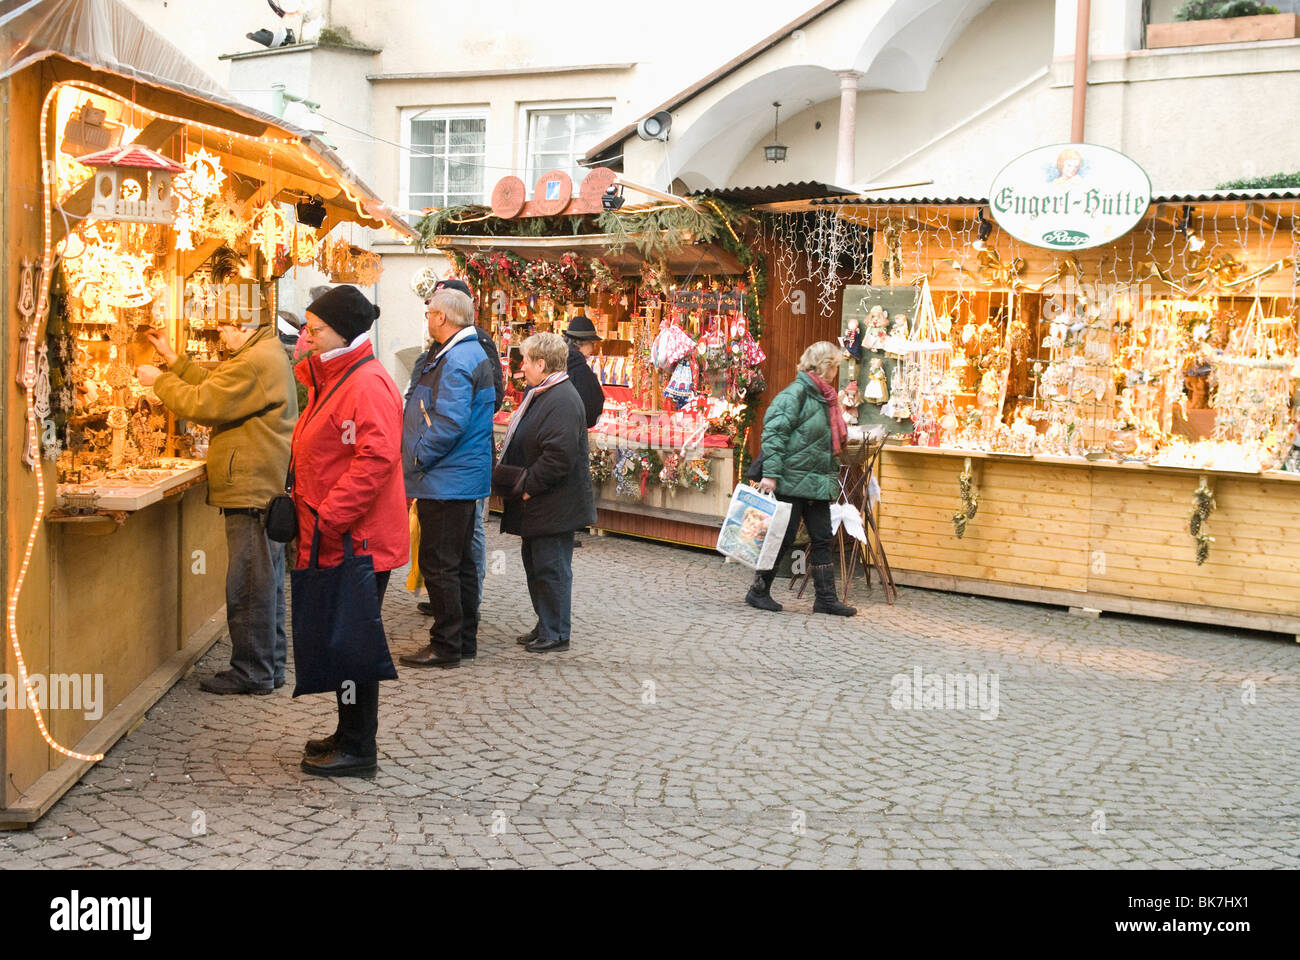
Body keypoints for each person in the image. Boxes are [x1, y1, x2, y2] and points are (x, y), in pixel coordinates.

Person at [136, 306, 296, 695]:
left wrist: (160, 381)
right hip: (259, 484)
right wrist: (176, 360)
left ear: (243, 325)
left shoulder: (256, 361)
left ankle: (252, 671)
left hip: (252, 486)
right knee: (266, 581)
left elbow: (205, 405)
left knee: (249, 583)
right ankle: (268, 666)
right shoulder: (262, 352)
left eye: (224, 327)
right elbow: (216, 387)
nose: (221, 335)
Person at [291, 285, 408, 777]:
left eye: (315, 330)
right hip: (337, 535)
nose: (307, 338)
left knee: (354, 645)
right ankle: (347, 733)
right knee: (342, 642)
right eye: (307, 329)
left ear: (342, 331)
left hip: (354, 540)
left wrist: (329, 516)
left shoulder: (365, 383)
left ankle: (359, 748)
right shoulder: (337, 377)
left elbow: (376, 458)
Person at [400, 286, 495, 668]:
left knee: (440, 563)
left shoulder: (457, 358)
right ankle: (462, 640)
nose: (427, 320)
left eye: (429, 314)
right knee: (459, 563)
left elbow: (450, 421)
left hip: (445, 478)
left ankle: (446, 645)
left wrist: (418, 456)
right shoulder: (465, 353)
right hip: (456, 477)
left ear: (442, 317)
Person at [498, 332, 595, 653]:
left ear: (542, 363)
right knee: (537, 565)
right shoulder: (544, 393)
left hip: (553, 503)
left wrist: (527, 488)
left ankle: (556, 632)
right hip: (542, 504)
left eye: (525, 360)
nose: (521, 366)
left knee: (551, 568)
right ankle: (546, 623)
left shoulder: (562, 399)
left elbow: (559, 456)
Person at [744, 340, 857, 617]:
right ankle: (758, 591)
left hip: (816, 482)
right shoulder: (796, 394)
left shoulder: (825, 397)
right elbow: (774, 435)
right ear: (825, 365)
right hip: (791, 481)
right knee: (782, 538)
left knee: (822, 538)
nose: (836, 371)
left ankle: (826, 599)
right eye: (835, 365)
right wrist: (770, 475)